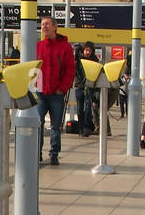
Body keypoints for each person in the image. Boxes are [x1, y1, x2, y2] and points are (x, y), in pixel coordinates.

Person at [35, 16, 75, 166]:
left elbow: (70, 70)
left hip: (56, 94)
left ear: (55, 27)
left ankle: (54, 153)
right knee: (37, 123)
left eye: (47, 24)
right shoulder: (38, 46)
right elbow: (33, 68)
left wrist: (62, 88)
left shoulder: (65, 47)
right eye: (42, 24)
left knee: (55, 126)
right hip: (40, 93)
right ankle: (36, 152)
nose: (44, 27)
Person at [74, 41, 98, 137]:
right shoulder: (79, 59)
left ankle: (87, 127)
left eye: (90, 51)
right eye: (86, 50)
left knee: (88, 107)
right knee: (80, 108)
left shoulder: (94, 59)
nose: (88, 52)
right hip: (80, 85)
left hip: (90, 86)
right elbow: (75, 69)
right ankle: (81, 128)